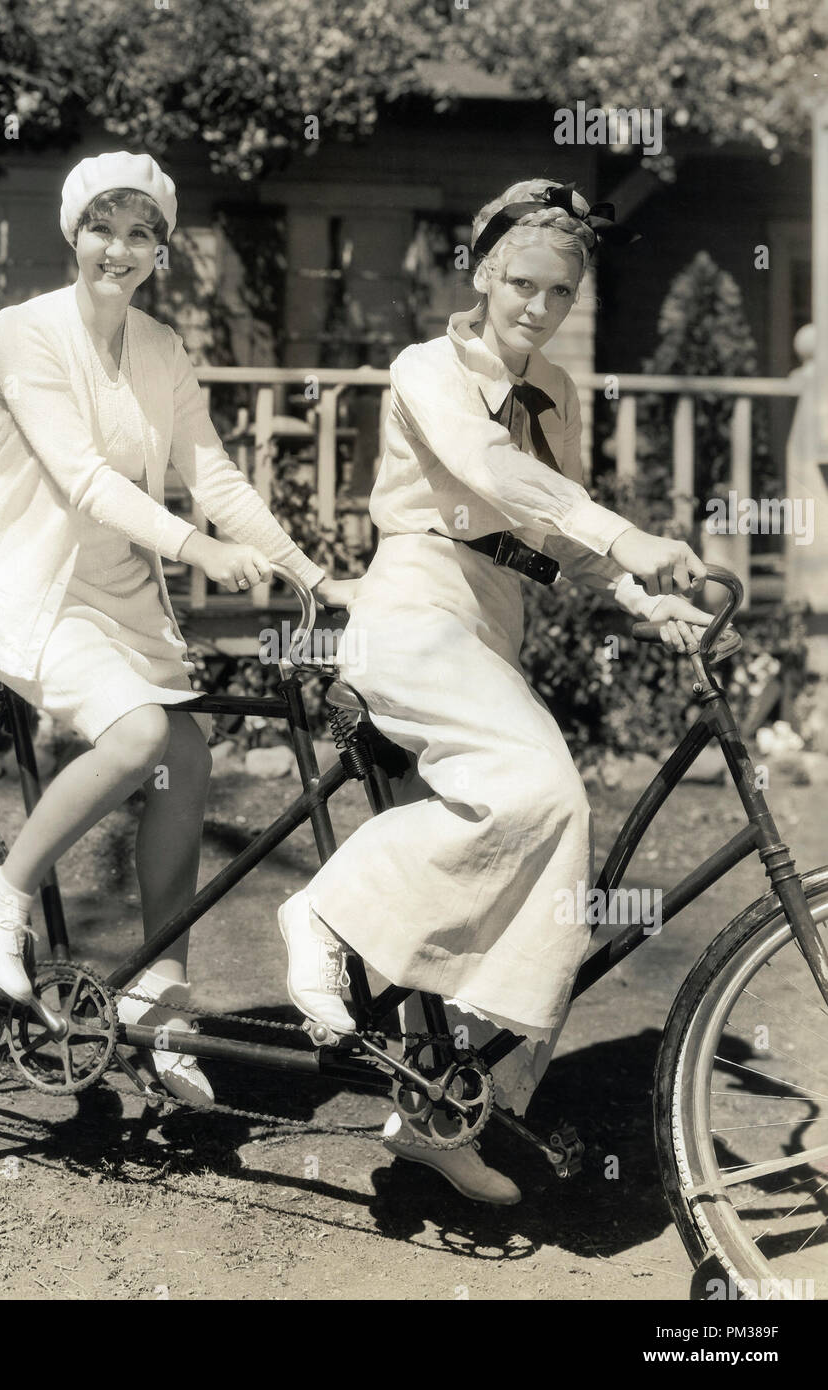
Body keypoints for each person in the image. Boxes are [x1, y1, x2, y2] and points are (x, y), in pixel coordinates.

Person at [278, 179, 714, 1202]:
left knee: (557, 851)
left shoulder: (551, 388)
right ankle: (327, 914)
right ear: (480, 274)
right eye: (519, 282)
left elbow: (546, 536)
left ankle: (444, 1104)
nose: (535, 305)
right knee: (545, 788)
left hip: (489, 629)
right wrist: (630, 535)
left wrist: (641, 598)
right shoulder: (426, 368)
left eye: (557, 292)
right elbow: (484, 469)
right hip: (413, 615)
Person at [0, 150, 357, 1108]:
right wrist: (198, 553)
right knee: (136, 736)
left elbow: (215, 479)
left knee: (186, 761)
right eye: (102, 227)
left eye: (142, 234)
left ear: (160, 250)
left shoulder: (163, 349)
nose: (118, 249)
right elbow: (83, 477)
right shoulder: (24, 332)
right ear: (71, 232)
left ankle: (158, 998)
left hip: (118, 593)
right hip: (31, 584)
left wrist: (314, 576)